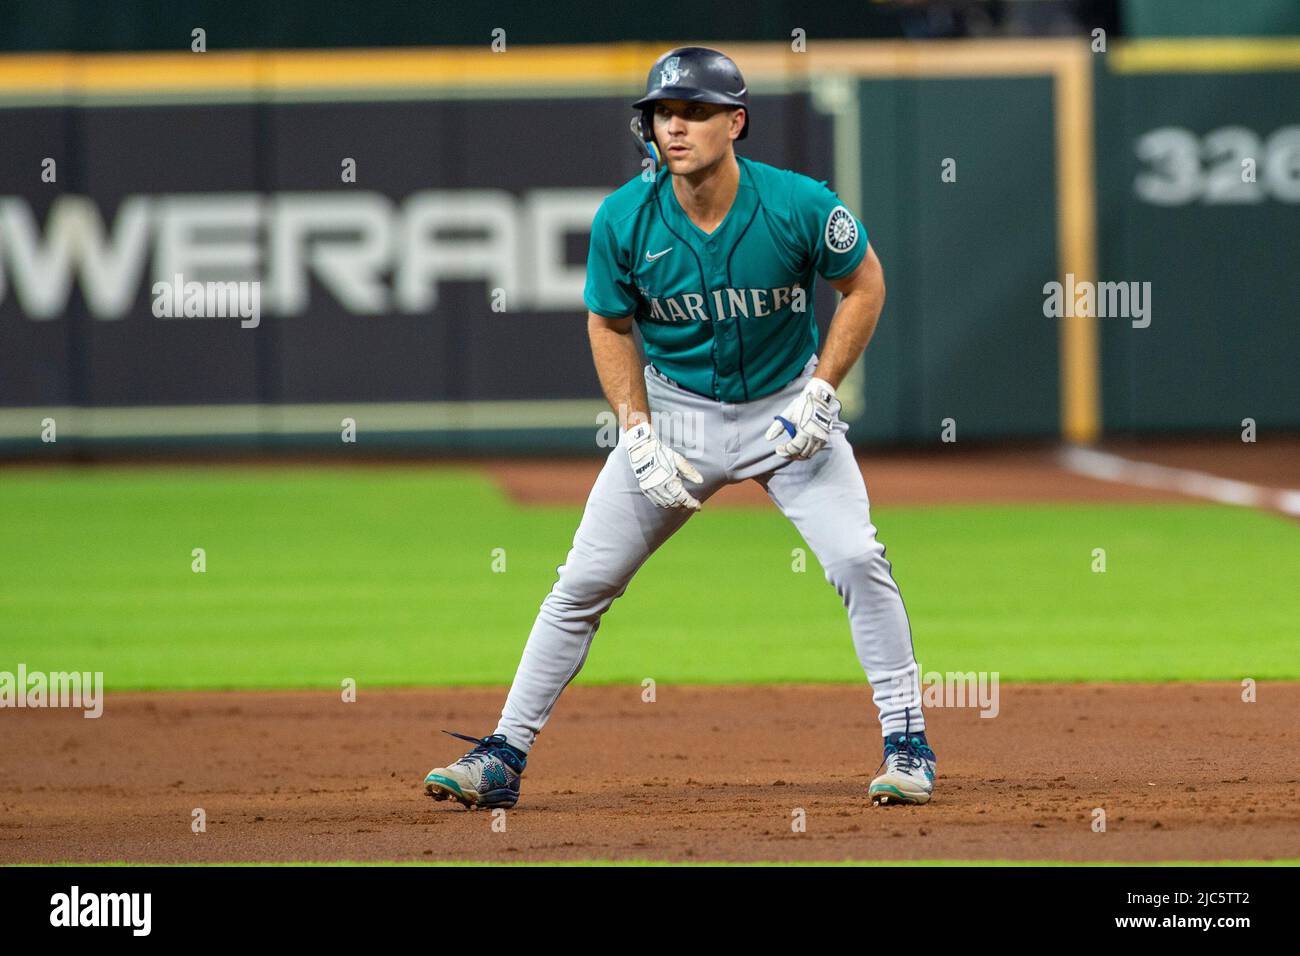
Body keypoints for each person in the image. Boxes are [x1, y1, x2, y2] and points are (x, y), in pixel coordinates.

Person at [424, 46, 935, 811]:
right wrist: (635, 430)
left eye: (694, 112)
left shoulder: (799, 205)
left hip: (787, 413)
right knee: (583, 583)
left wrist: (824, 390)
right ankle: (503, 754)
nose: (675, 127)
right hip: (676, 418)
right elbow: (608, 321)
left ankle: (908, 745)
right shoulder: (625, 217)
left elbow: (864, 283)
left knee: (858, 558)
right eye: (664, 113)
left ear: (736, 121)